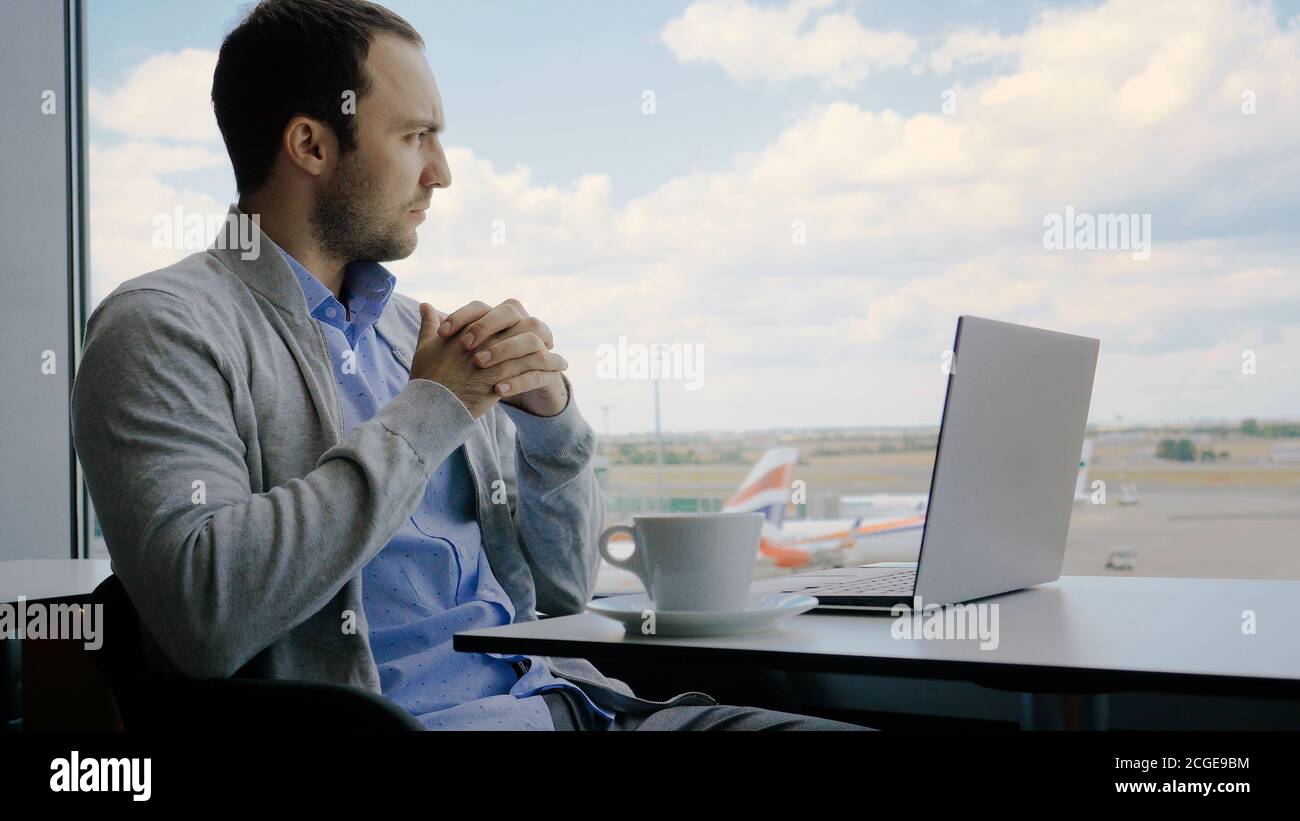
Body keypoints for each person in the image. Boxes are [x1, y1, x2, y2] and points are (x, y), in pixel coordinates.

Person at [71, 0, 868, 732]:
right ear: (311, 143)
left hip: (580, 704)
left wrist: (553, 429)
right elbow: (206, 616)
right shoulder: (161, 328)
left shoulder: (407, 334)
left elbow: (559, 598)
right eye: (416, 135)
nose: (441, 172)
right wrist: (429, 408)